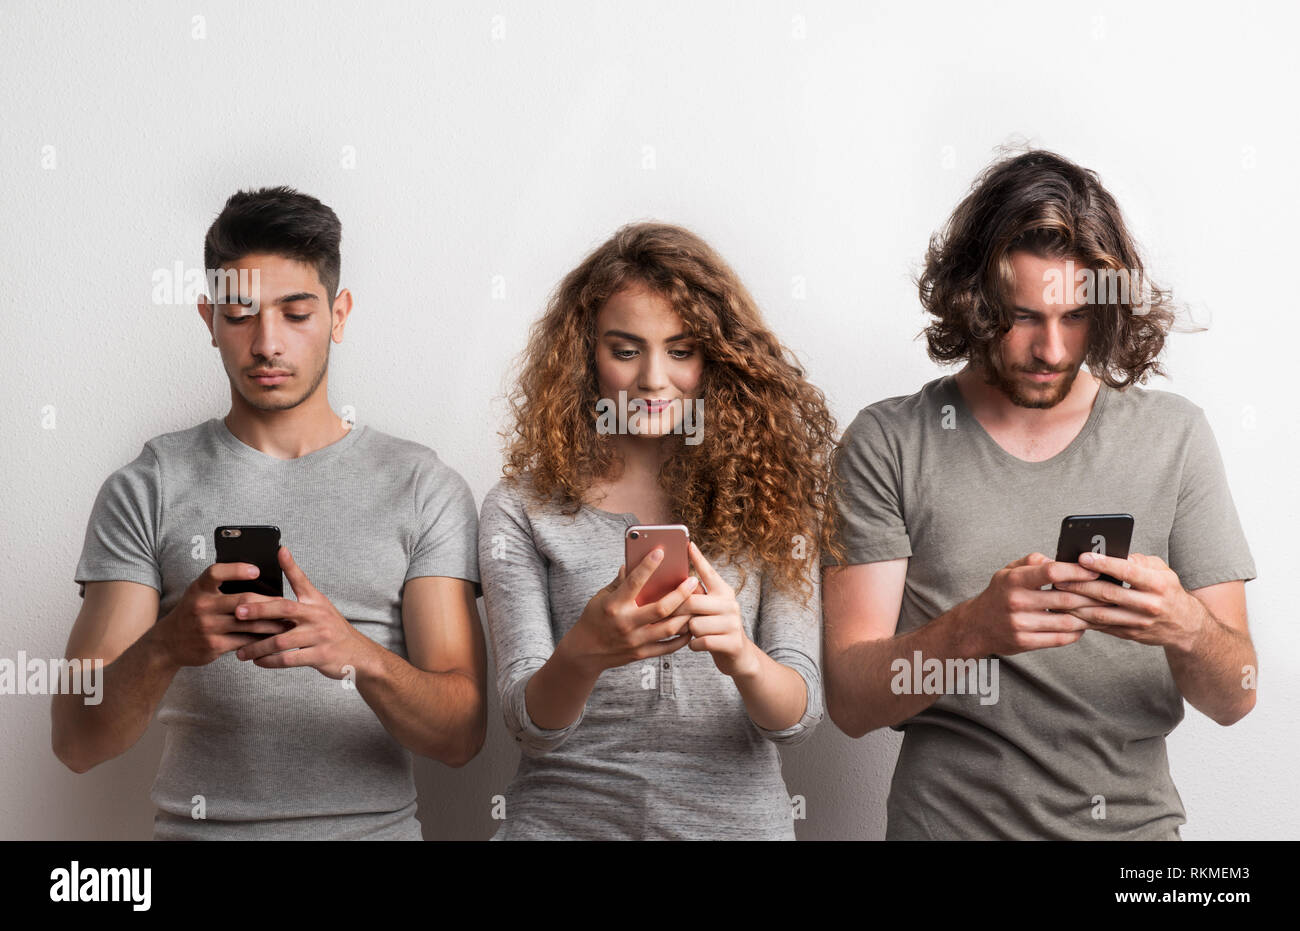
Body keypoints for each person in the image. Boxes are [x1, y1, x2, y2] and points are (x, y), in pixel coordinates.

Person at [822, 150, 1258, 840]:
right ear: (973, 299)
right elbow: (849, 701)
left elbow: (1237, 695)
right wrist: (974, 629)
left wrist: (1183, 624)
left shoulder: (1175, 437)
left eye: (1076, 316)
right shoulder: (890, 440)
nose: (1052, 349)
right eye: (1022, 316)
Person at [53, 186, 486, 839]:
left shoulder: (422, 485)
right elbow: (75, 741)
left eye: (296, 312)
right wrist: (168, 645)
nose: (267, 343)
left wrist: (357, 653)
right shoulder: (150, 485)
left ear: (339, 315)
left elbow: (461, 735)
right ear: (208, 320)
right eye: (241, 314)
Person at [478, 222, 843, 839]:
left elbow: (799, 719)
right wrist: (585, 650)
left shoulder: (773, 498)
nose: (652, 379)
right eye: (625, 351)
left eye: (681, 351)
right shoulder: (521, 508)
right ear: (584, 358)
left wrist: (741, 656)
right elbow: (527, 724)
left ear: (717, 358)